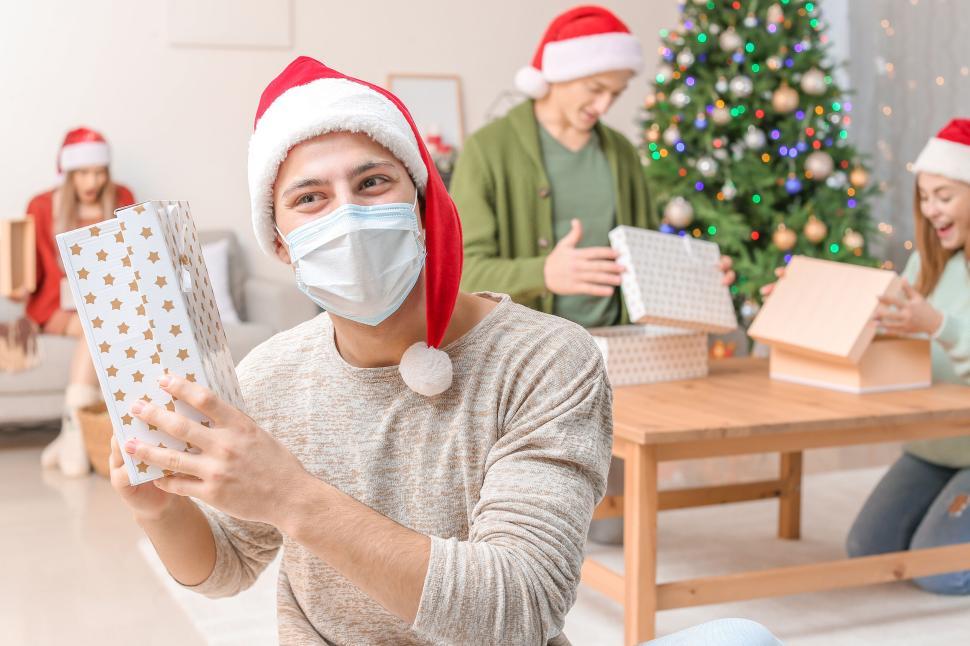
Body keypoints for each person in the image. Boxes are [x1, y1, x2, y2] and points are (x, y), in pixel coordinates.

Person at [108, 56, 613, 645]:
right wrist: (159, 509)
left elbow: (520, 606)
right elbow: (227, 566)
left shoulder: (547, 359)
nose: (346, 216)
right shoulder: (272, 374)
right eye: (310, 199)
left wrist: (289, 494)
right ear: (279, 244)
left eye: (372, 183)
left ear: (422, 203)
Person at [450, 4, 734, 544]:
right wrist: (546, 272)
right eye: (595, 88)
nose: (603, 105)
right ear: (557, 75)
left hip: (613, 356)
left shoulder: (621, 153)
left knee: (609, 532)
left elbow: (644, 251)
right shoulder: (489, 150)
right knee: (520, 531)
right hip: (527, 358)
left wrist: (696, 277)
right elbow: (464, 272)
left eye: (615, 94)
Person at [846, 118, 970, 594]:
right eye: (924, 196)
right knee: (868, 550)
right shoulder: (929, 260)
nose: (930, 209)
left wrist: (937, 324)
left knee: (941, 572)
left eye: (944, 195)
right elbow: (893, 328)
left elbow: (932, 327)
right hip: (933, 444)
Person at [12, 127, 135, 476]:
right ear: (68, 173)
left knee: (99, 322)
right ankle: (75, 429)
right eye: (82, 173)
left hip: (108, 302)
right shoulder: (42, 204)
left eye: (98, 172)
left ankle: (71, 431)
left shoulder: (122, 195)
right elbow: (28, 272)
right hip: (60, 307)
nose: (91, 181)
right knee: (94, 326)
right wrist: (16, 284)